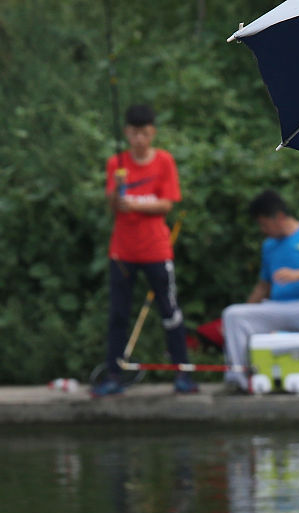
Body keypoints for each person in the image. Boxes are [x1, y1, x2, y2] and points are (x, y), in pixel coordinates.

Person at [95, 103, 195, 397]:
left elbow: (166, 204)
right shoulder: (117, 163)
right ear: (126, 133)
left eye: (144, 132)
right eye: (134, 133)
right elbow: (113, 205)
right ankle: (114, 374)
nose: (139, 138)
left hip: (156, 250)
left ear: (152, 132)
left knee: (169, 310)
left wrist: (135, 204)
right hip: (122, 253)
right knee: (118, 314)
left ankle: (183, 372)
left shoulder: (164, 161)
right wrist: (117, 189)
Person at [221, 190, 299, 396]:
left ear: (278, 217)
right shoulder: (269, 245)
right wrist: (247, 309)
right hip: (276, 308)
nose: (263, 230)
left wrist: (297, 275)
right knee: (232, 314)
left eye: (264, 224)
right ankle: (237, 380)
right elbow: (263, 286)